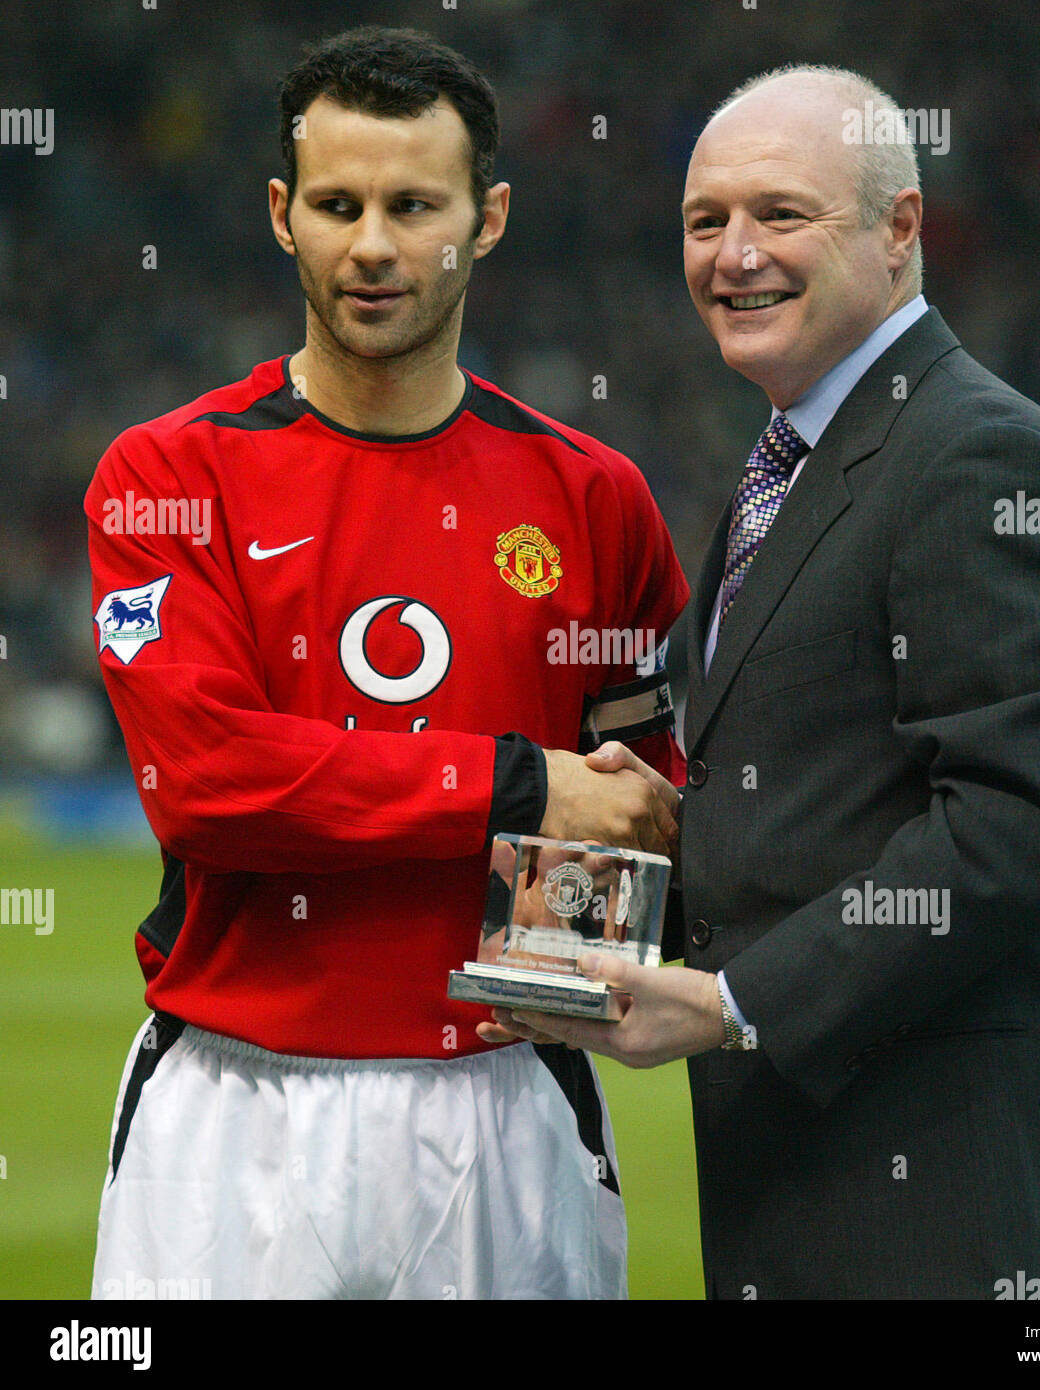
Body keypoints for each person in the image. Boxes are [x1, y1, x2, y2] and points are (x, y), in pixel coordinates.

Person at [488, 64, 1040, 1300]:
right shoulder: (797, 457)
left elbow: (1010, 827)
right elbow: (830, 810)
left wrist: (731, 1001)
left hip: (950, 1215)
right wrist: (641, 835)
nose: (733, 255)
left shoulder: (975, 456)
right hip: (815, 1199)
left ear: (899, 231)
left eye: (780, 215)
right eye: (703, 220)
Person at [86, 25, 686, 1301]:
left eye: (414, 204)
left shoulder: (591, 498)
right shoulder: (168, 475)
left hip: (508, 1101)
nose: (371, 243)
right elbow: (204, 780)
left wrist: (591, 941)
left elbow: (639, 800)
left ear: (488, 217)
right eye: (337, 203)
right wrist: (518, 787)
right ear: (279, 214)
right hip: (231, 1110)